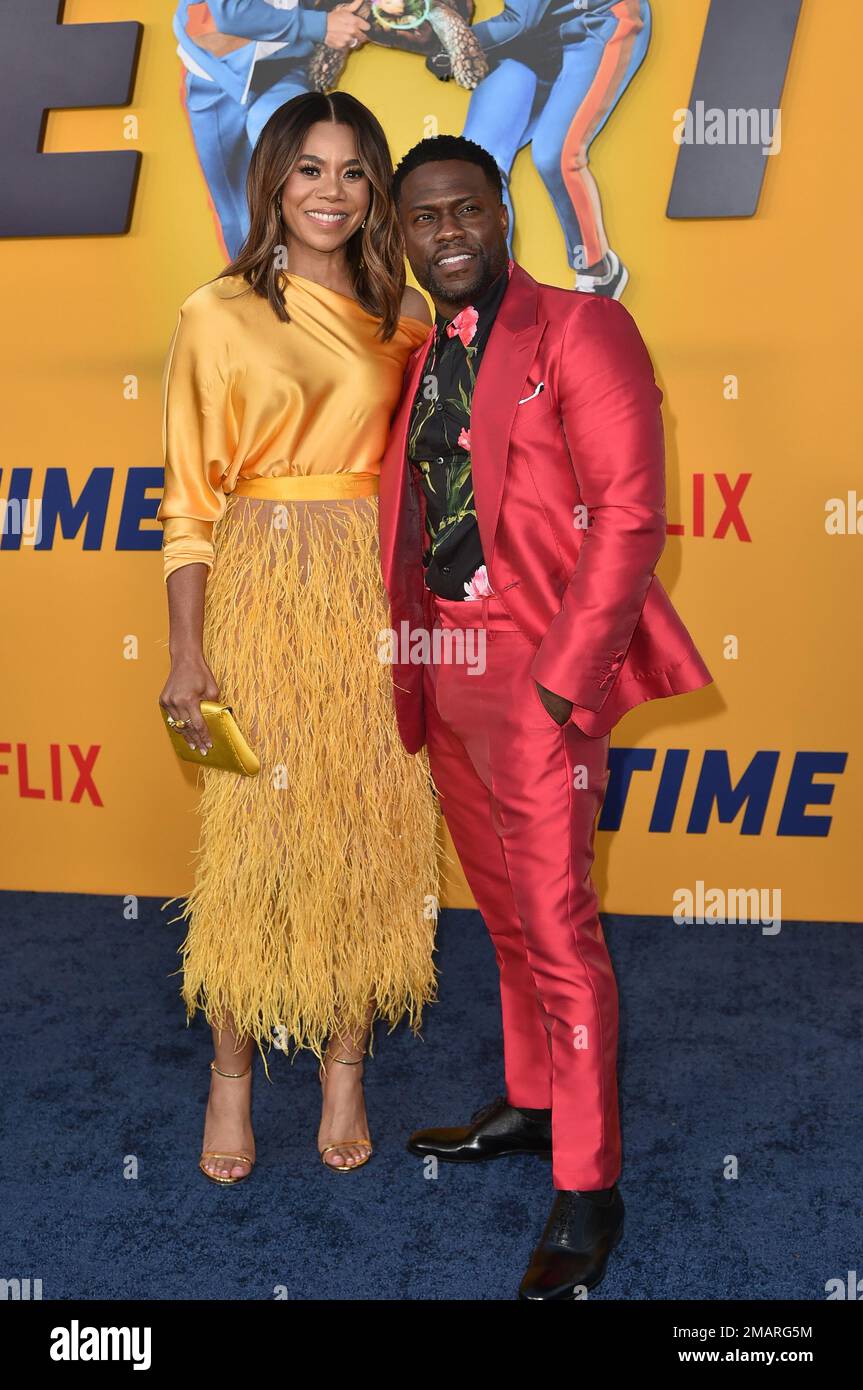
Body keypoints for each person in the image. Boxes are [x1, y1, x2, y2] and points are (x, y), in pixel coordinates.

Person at [379, 133, 713, 1298]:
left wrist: (559, 687)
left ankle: (588, 1181)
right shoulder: (424, 355)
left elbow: (627, 518)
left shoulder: (582, 329)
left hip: (539, 677)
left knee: (561, 929)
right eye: (424, 219)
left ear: (500, 212)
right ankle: (530, 1102)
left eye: (465, 210)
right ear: (404, 238)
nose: (448, 233)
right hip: (445, 667)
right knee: (506, 916)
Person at [157, 91, 438, 1184]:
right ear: (273, 179)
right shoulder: (215, 312)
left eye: (354, 171)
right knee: (253, 845)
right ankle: (229, 1076)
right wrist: (187, 653)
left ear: (375, 189)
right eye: (310, 169)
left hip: (375, 592)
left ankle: (345, 1066)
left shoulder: (404, 312)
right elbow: (188, 504)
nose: (331, 191)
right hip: (261, 588)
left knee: (368, 836)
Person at [433, 0, 651, 296]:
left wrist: (453, 42)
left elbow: (519, 20)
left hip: (593, 23)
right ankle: (498, 286)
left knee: (554, 154)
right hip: (533, 40)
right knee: (476, 164)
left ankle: (598, 270)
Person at [174, 1, 370, 257]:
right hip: (213, 75)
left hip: (284, 71)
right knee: (236, 206)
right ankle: (253, 286)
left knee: (295, 158)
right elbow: (229, 15)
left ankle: (313, 281)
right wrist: (321, 26)